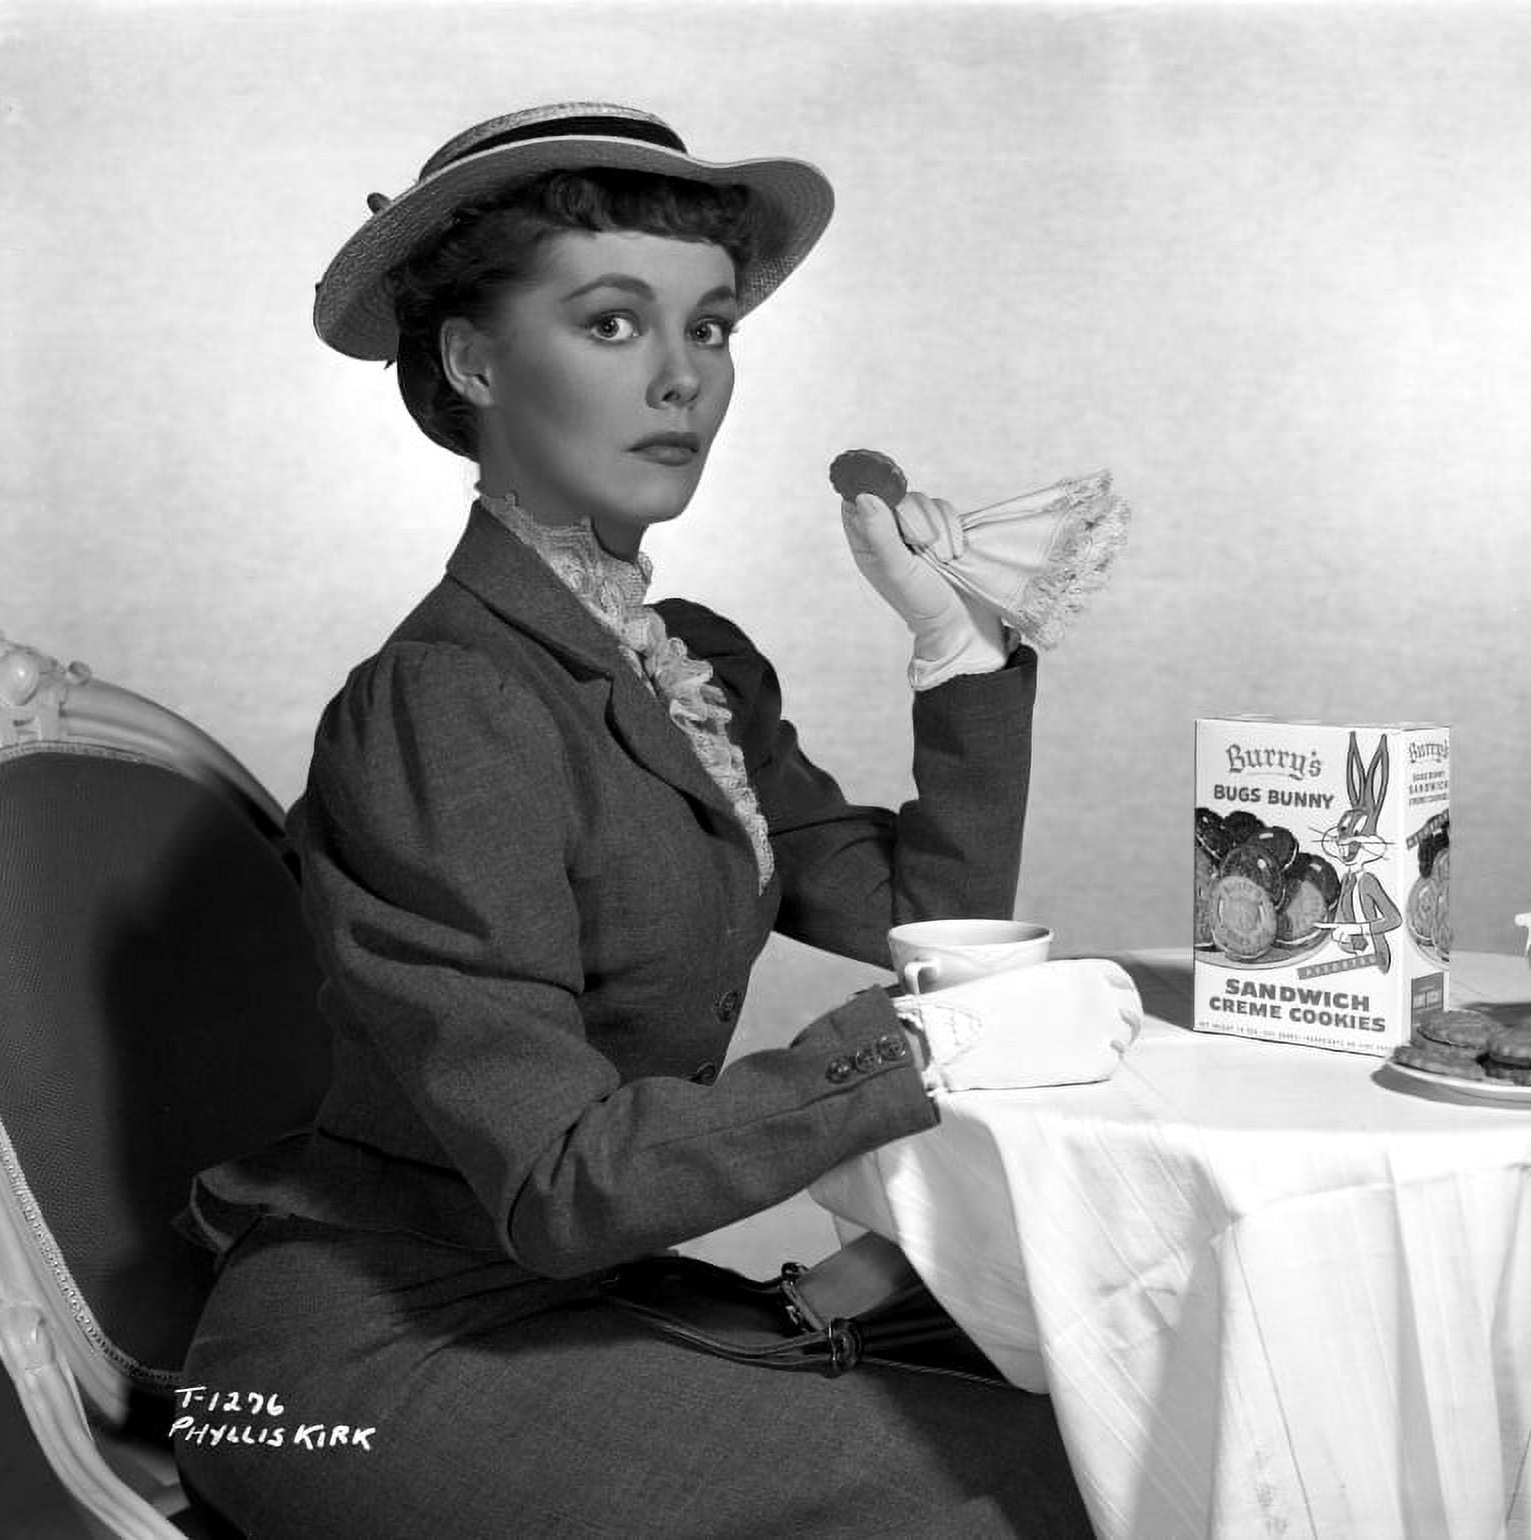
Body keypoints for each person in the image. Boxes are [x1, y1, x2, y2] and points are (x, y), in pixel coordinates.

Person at [173, 102, 1138, 1538]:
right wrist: (928, 1049)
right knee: (1065, 1492)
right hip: (361, 1362)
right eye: (614, 324)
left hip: (591, 1306)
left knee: (1134, 1402)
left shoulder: (692, 658)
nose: (683, 380)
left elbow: (914, 925)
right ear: (473, 358)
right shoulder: (447, 705)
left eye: (715, 328)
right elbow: (565, 1184)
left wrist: (960, 657)